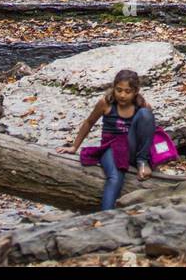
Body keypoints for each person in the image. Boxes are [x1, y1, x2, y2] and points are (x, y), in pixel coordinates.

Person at [60, 68, 156, 210]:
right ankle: (106, 217)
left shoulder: (142, 105)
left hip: (132, 149)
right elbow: (89, 122)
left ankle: (142, 162)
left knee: (146, 114)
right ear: (114, 88)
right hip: (111, 147)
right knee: (115, 178)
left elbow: (148, 131)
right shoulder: (105, 103)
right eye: (119, 90)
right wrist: (74, 147)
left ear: (135, 92)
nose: (122, 95)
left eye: (127, 91)